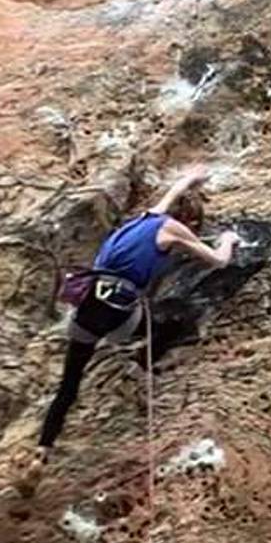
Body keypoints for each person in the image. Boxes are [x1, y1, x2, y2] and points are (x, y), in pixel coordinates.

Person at [33, 167, 237, 466]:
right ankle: (143, 360)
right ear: (189, 221)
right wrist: (229, 240)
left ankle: (41, 453)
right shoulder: (173, 228)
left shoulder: (147, 217)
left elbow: (175, 189)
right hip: (118, 317)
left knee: (69, 385)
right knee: (179, 324)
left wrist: (193, 178)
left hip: (88, 306)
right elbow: (218, 262)